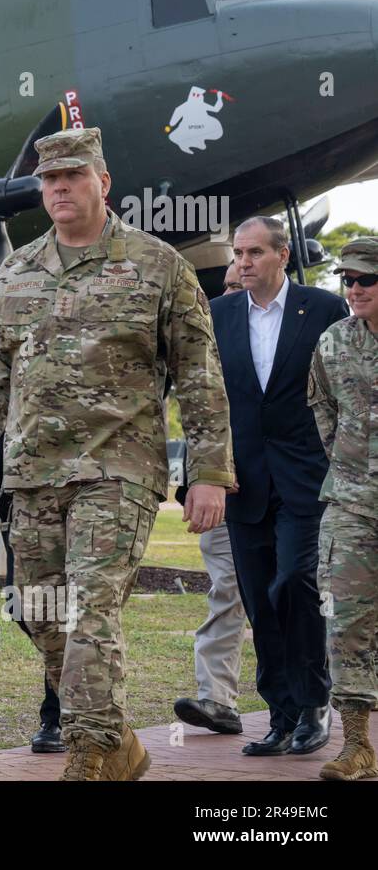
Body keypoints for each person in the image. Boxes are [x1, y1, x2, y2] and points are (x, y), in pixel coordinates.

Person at [0, 126, 235, 781]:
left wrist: (208, 473)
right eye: (49, 180)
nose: (60, 189)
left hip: (119, 471)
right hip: (32, 473)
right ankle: (122, 743)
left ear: (103, 183)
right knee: (40, 614)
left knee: (90, 609)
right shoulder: (16, 271)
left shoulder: (159, 265)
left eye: (73, 177)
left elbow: (199, 373)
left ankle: (89, 755)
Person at [210, 217, 350, 757]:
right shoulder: (218, 312)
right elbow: (204, 394)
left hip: (306, 477)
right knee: (258, 601)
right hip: (241, 481)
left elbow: (345, 386)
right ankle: (280, 714)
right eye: (237, 253)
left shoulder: (322, 308)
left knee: (294, 583)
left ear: (282, 255)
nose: (242, 263)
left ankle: (315, 703)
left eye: (253, 253)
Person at [308, 236, 378, 780]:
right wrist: (348, 463)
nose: (353, 290)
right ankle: (357, 747)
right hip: (352, 501)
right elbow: (322, 403)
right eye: (347, 281)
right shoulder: (334, 342)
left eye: (365, 281)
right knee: (344, 617)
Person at [174, 261, 248, 735]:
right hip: (221, 490)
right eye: (224, 286)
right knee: (225, 591)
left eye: (238, 286)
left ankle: (317, 692)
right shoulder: (202, 328)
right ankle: (216, 699)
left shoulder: (298, 329)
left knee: (297, 593)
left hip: (287, 492)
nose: (228, 295)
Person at [0, 435, 65, 752]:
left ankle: (56, 719)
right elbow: (2, 443)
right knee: (20, 608)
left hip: (80, 509)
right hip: (22, 512)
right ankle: (72, 694)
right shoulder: (23, 387)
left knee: (63, 613)